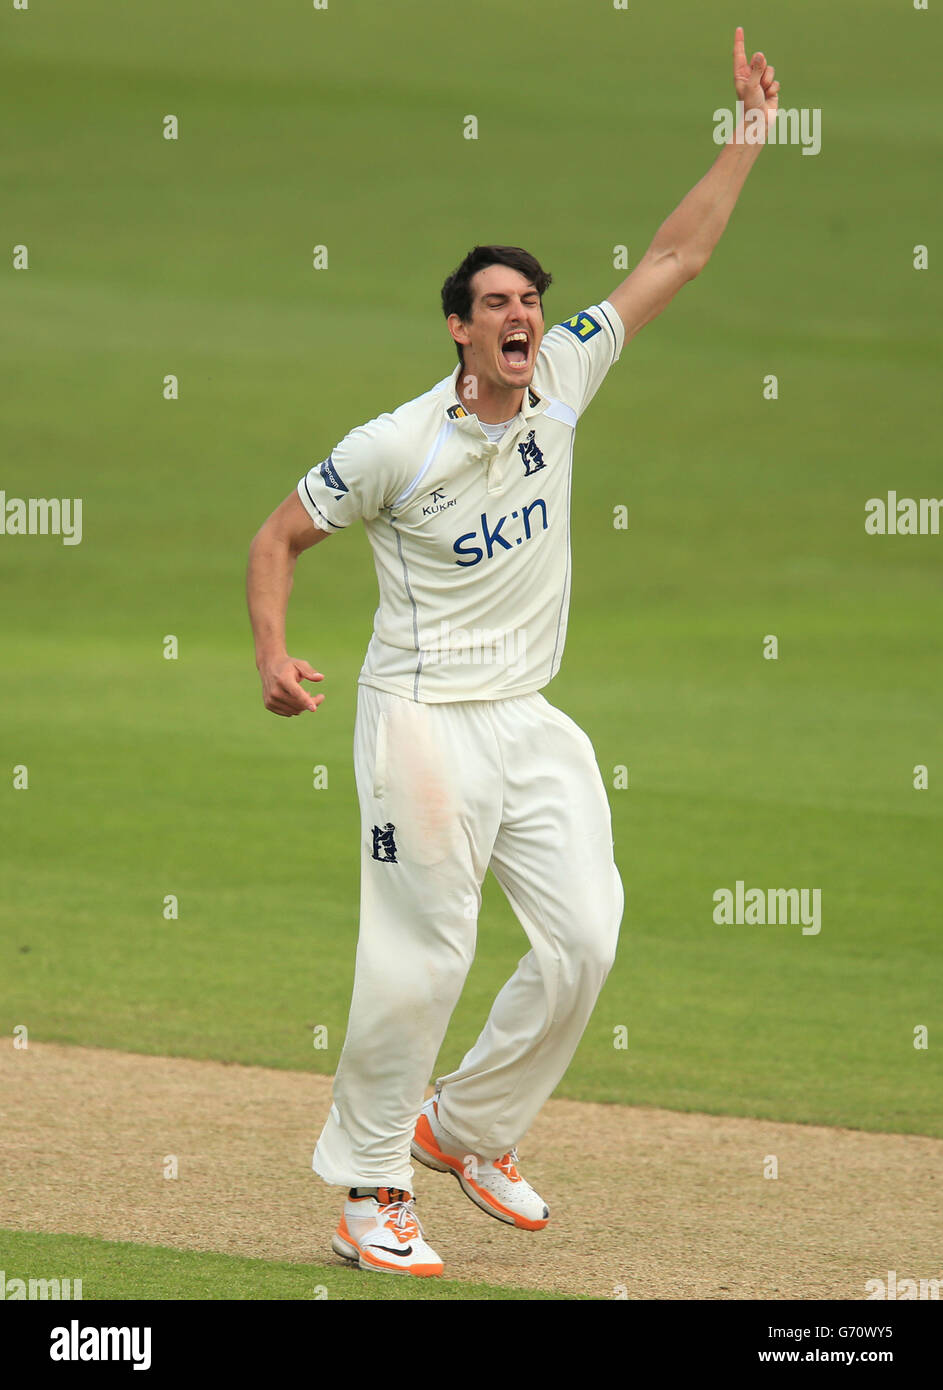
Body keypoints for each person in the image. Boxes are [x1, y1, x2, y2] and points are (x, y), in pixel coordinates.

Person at [246, 28, 779, 1278]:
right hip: (422, 721)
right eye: (495, 303)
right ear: (455, 329)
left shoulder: (567, 378)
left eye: (530, 301)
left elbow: (678, 253)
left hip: (527, 714)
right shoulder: (396, 445)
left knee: (587, 935)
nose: (521, 316)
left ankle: (465, 1125)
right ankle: (369, 1186)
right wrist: (273, 655)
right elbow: (275, 534)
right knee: (422, 952)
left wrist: (748, 127)